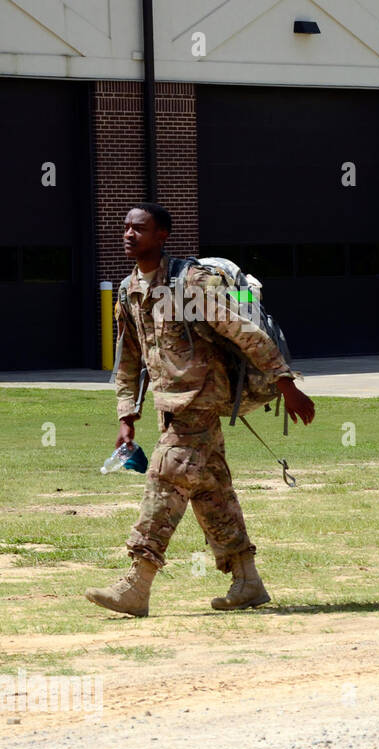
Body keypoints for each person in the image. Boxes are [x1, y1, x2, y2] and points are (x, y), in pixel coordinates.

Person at [85, 203, 315, 617]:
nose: (129, 234)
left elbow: (243, 330)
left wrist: (286, 383)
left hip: (201, 401)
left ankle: (137, 582)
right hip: (168, 404)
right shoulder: (128, 290)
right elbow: (129, 359)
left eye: (139, 228)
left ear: (162, 236)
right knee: (211, 492)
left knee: (165, 478)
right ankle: (247, 580)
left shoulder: (189, 285)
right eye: (125, 228)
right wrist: (126, 414)